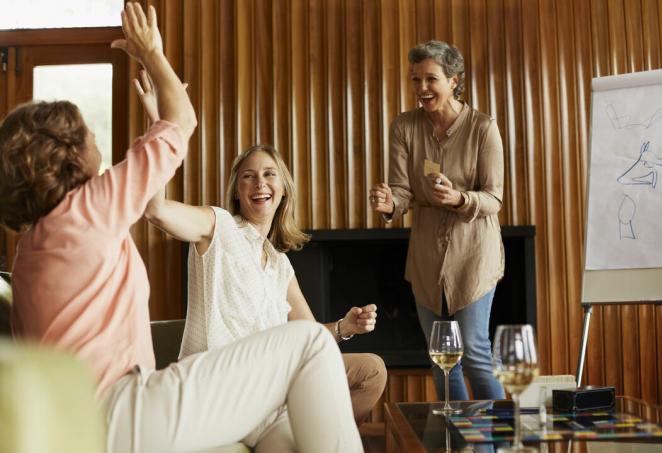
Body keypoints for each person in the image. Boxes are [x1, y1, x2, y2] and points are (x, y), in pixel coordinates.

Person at [0, 3, 362, 453]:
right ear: (70, 156)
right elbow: (182, 122)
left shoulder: (31, 247)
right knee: (308, 343)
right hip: (117, 413)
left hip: (80, 417)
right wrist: (151, 51)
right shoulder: (88, 209)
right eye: (90, 135)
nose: (97, 141)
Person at [138, 80, 387, 448]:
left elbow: (311, 336)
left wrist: (345, 327)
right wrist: (160, 126)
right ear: (238, 192)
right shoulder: (217, 226)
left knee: (370, 371)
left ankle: (305, 420)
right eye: (248, 176)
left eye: (269, 174)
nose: (260, 182)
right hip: (223, 388)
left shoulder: (279, 263)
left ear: (282, 187)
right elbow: (155, 210)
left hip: (271, 399)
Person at [369, 40, 505, 402]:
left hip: (474, 254)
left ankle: (501, 445)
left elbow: (494, 198)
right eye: (415, 80)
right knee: (442, 359)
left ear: (454, 80)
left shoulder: (482, 128)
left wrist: (459, 198)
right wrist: (387, 204)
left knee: (474, 355)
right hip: (427, 257)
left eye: (431, 79)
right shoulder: (404, 127)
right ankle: (458, 441)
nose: (422, 88)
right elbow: (401, 192)